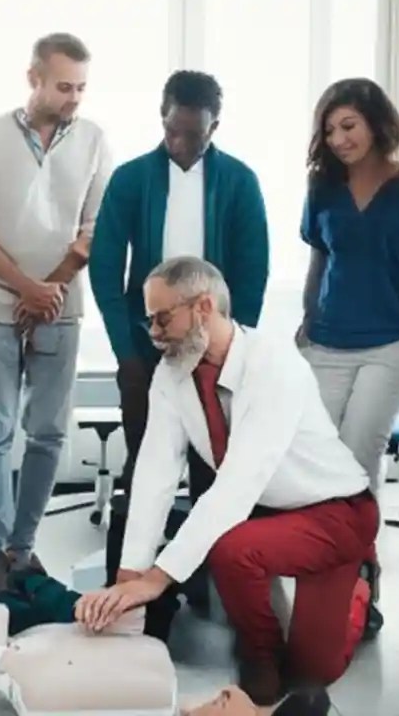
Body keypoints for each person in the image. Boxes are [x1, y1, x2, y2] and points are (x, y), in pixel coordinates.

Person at [75, 257, 377, 708]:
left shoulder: (273, 364)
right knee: (237, 553)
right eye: (149, 319)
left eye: (163, 318)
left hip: (335, 511)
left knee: (314, 671)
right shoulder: (173, 373)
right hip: (267, 514)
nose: (153, 332)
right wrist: (130, 576)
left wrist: (158, 579)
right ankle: (263, 661)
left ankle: (359, 587)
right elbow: (155, 473)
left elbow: (238, 484)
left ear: (204, 307)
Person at [296, 77, 399, 633]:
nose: (338, 139)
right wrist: (307, 323)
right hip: (326, 343)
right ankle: (329, 570)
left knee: (357, 461)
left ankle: (361, 578)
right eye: (329, 129)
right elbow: (319, 261)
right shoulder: (323, 187)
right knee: (318, 465)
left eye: (348, 126)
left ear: (376, 123)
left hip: (391, 345)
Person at [0, 32, 113, 593]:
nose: (74, 97)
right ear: (34, 79)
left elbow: (95, 228)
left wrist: (47, 290)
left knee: (48, 433)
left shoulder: (95, 139)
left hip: (60, 304)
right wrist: (25, 287)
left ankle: (24, 548)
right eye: (63, 86)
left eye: (81, 87)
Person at [89, 69, 269, 496]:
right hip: (145, 339)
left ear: (215, 127)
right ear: (161, 117)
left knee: (212, 462)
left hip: (213, 341)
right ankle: (136, 557)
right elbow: (104, 268)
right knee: (147, 462)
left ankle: (206, 558)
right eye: (172, 130)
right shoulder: (131, 179)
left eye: (194, 134)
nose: (180, 144)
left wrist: (232, 347)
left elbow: (252, 274)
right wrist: (125, 350)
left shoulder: (240, 183)